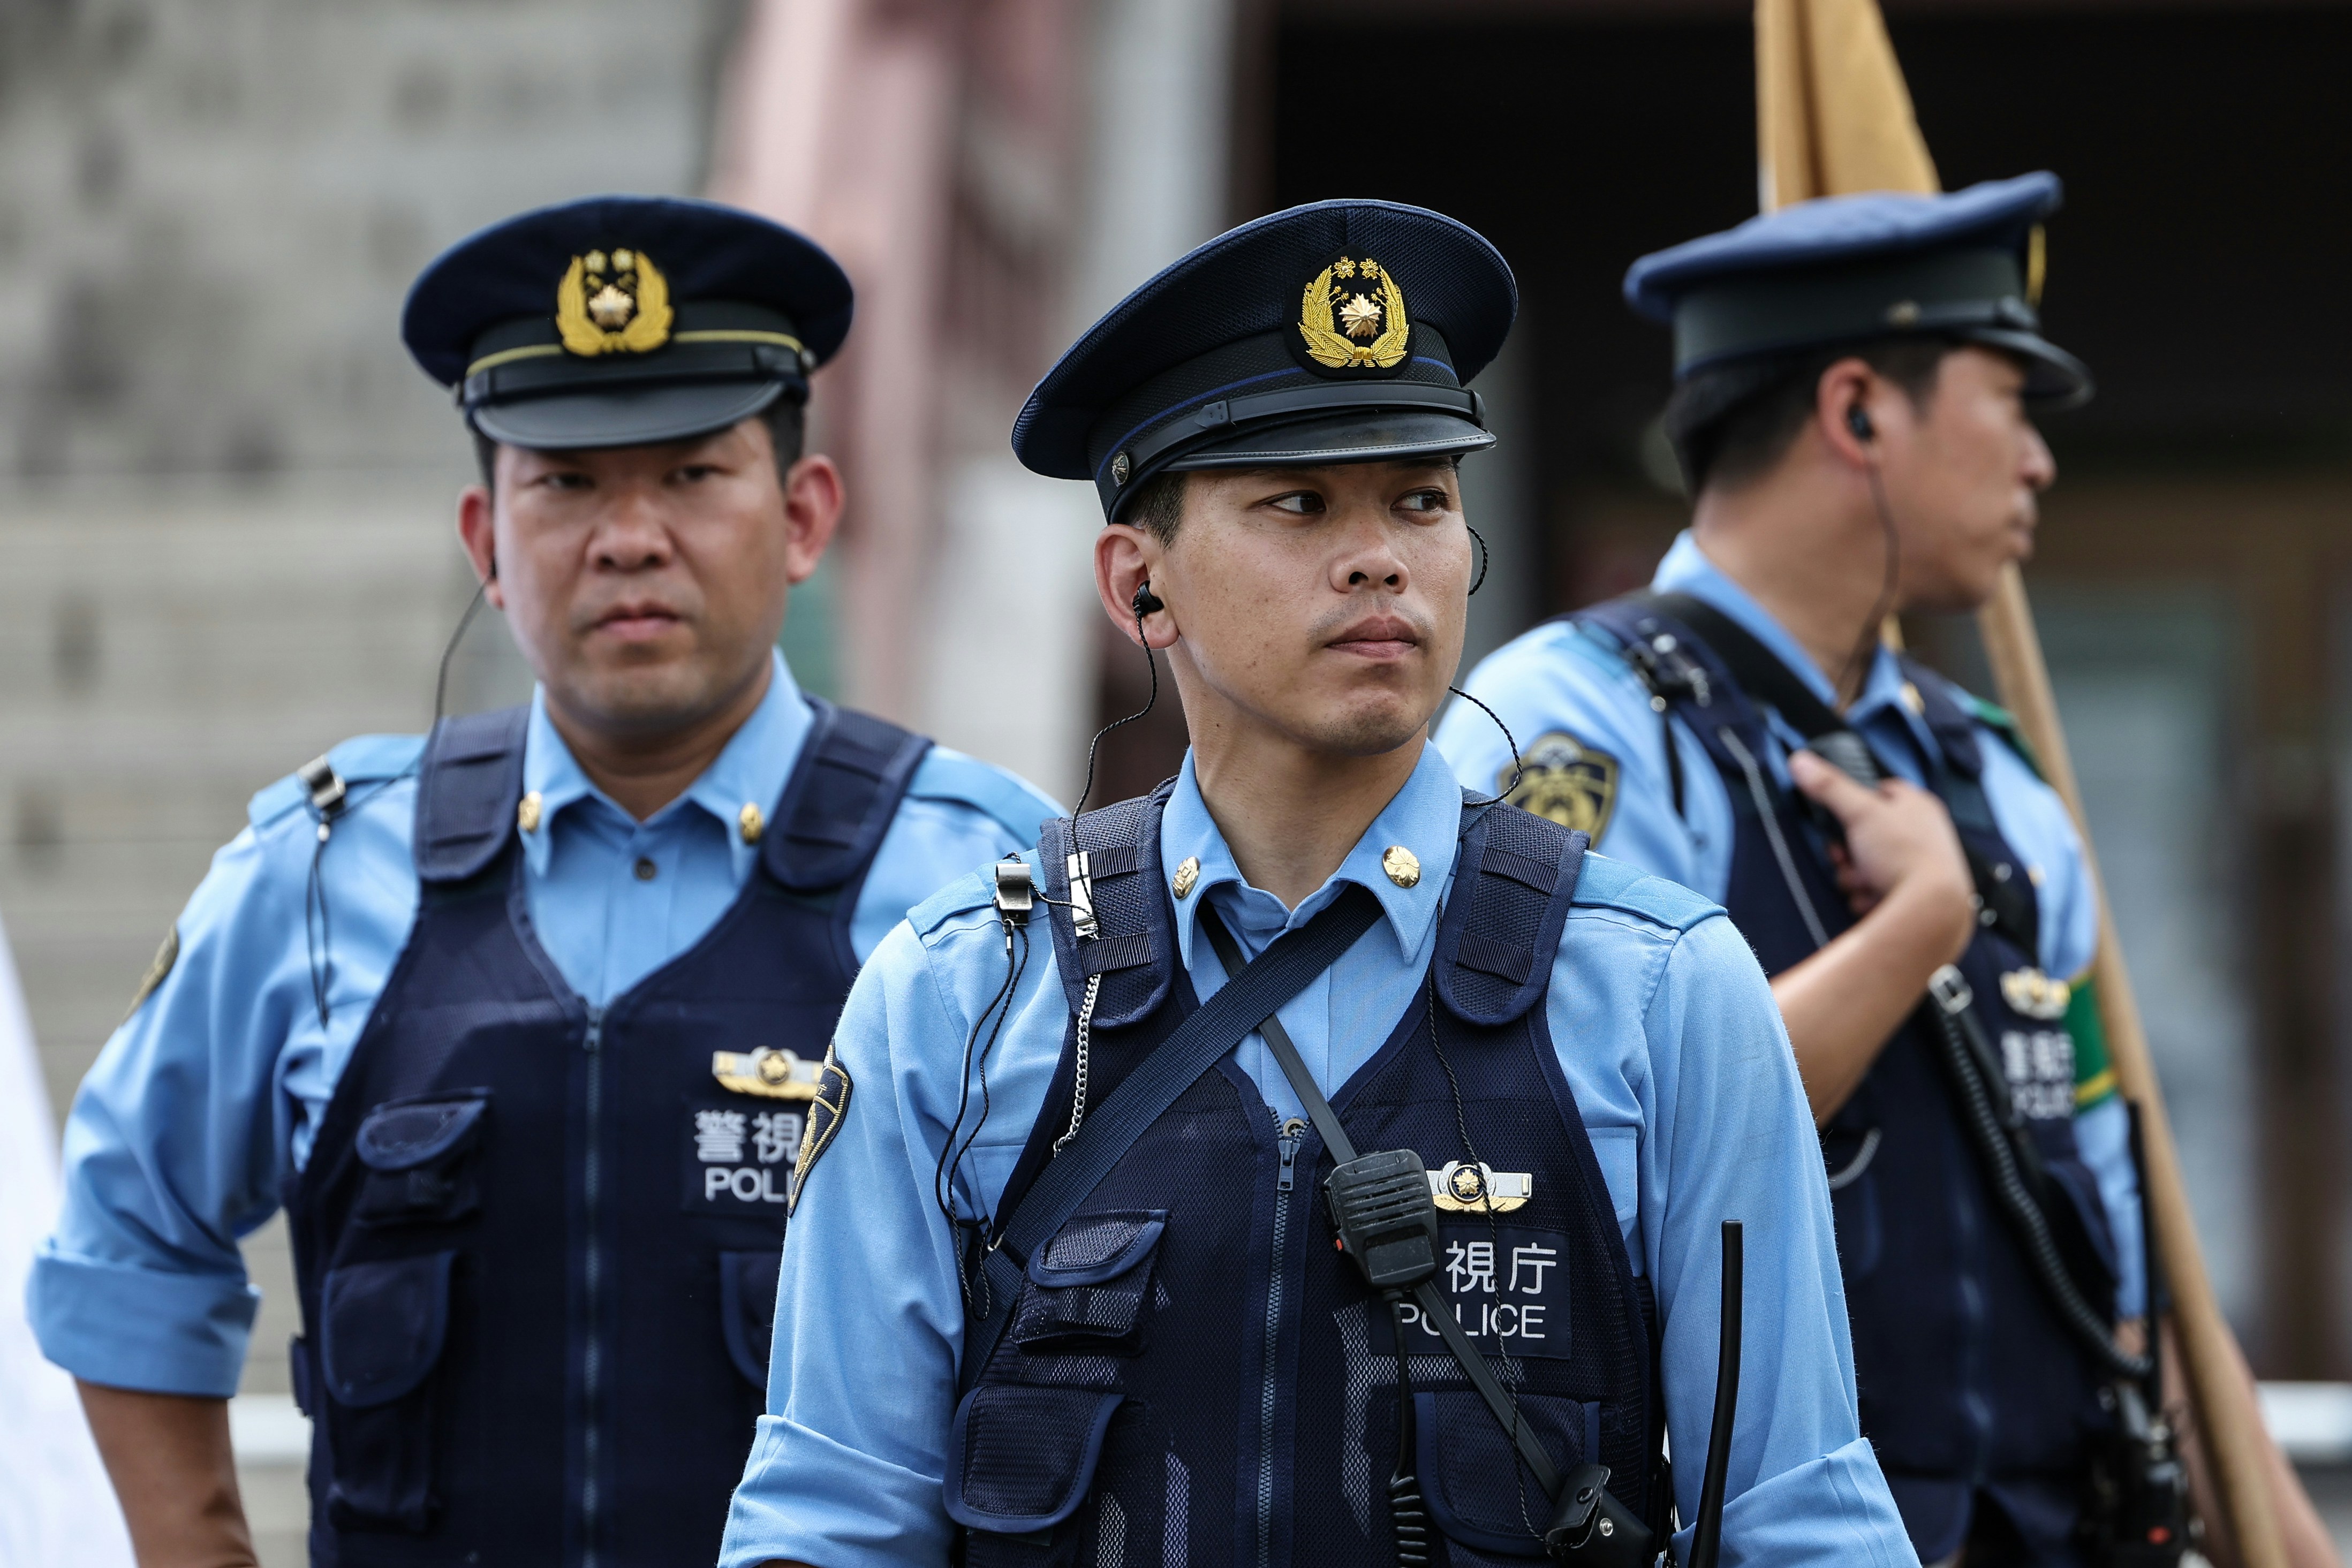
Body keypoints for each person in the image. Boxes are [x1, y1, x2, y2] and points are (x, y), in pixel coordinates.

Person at [720, 198, 1915, 1568]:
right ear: (1137, 583)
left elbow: (1797, 1519)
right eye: (1299, 502)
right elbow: (832, 1518)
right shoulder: (961, 997)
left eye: (1420, 497)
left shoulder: (1659, 992)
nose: (1379, 556)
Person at [29, 195, 1059, 1568]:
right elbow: (124, 1239)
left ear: (806, 514)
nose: (627, 537)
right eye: (565, 483)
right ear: (484, 539)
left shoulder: (981, 886)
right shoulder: (323, 878)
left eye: (693, 474)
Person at [1439, 173, 2156, 1565]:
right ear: (1858, 412)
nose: (2037, 462)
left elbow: (2108, 1193)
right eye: (2007, 403)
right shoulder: (1576, 731)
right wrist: (1919, 930)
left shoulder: (1993, 777)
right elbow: (1581, 1165)